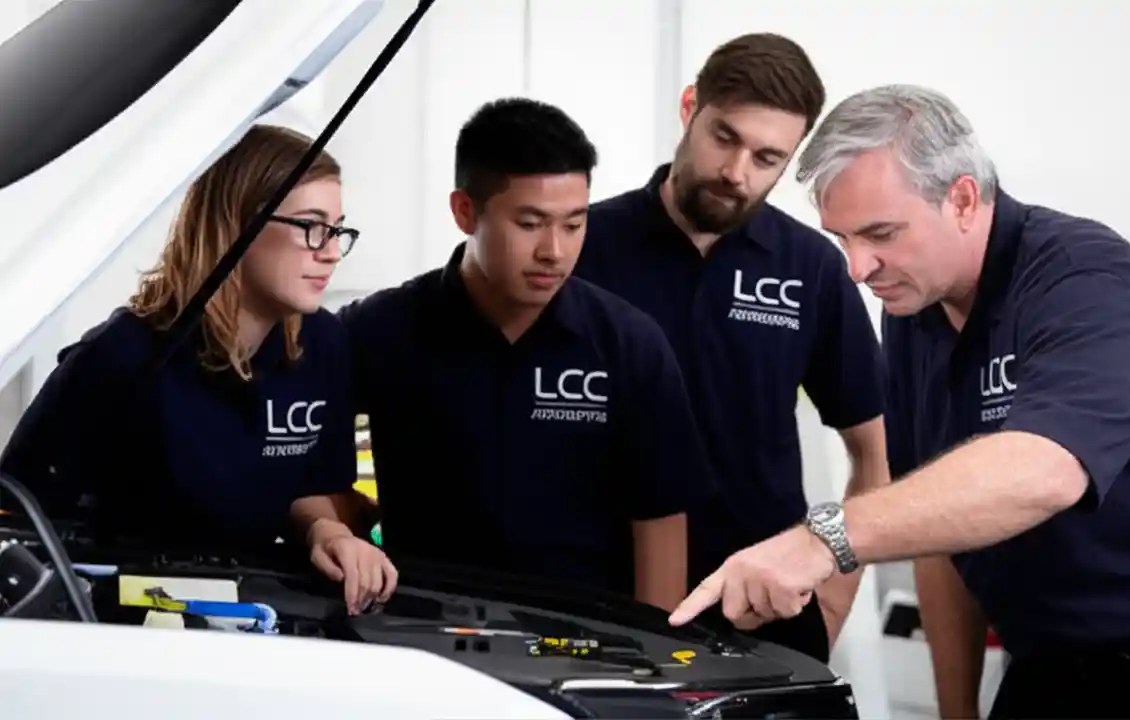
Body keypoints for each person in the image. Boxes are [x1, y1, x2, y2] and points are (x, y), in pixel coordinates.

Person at [668, 84, 1130, 717]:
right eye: (842, 238)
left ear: (962, 198)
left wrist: (824, 539)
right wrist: (955, 711)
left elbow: (1045, 470)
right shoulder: (910, 312)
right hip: (1057, 667)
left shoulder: (1082, 278)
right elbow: (939, 534)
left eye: (880, 233)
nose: (857, 267)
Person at [572, 33, 890, 661]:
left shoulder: (811, 268)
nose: (737, 173)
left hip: (761, 613)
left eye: (767, 157)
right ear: (690, 107)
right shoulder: (581, 245)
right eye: (725, 138)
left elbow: (875, 456)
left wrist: (831, 602)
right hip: (592, 605)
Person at [0, 124, 396, 615]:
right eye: (311, 225)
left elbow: (312, 486)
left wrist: (329, 531)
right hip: (119, 615)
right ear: (237, 225)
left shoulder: (324, 345)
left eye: (337, 229)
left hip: (251, 607)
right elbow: (17, 510)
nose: (331, 250)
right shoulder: (122, 356)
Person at [337, 98, 710, 611]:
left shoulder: (630, 345)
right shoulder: (379, 330)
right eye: (530, 223)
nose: (554, 251)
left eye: (574, 224)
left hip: (587, 643)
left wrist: (659, 667)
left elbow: (661, 520)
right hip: (421, 639)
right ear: (465, 211)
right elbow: (309, 469)